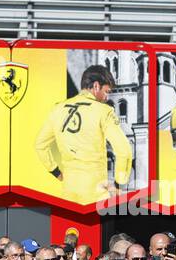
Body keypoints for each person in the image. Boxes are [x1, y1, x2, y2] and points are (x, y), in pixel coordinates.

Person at [34, 64, 134, 204]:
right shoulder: (104, 111)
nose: (107, 97)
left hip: (69, 193)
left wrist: (55, 171)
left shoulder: (57, 109)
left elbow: (40, 145)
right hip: (96, 196)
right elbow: (124, 151)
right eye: (107, 91)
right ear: (96, 86)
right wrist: (119, 185)